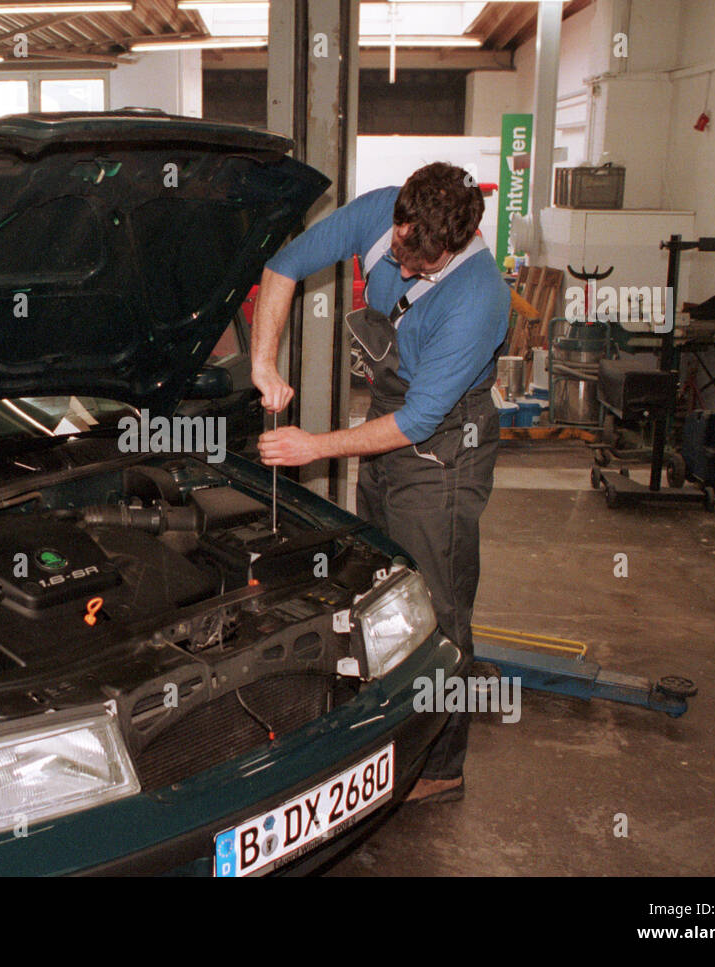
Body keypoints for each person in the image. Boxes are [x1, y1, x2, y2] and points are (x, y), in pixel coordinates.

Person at [250, 161, 509, 805]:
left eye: (425, 266)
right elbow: (282, 267)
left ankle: (443, 767)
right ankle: (385, 725)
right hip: (390, 411)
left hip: (447, 441)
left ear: (456, 245)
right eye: (402, 251)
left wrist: (314, 446)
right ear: (400, 216)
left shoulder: (479, 296)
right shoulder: (379, 212)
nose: (408, 267)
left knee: (440, 605)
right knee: (380, 581)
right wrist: (262, 362)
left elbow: (421, 420)